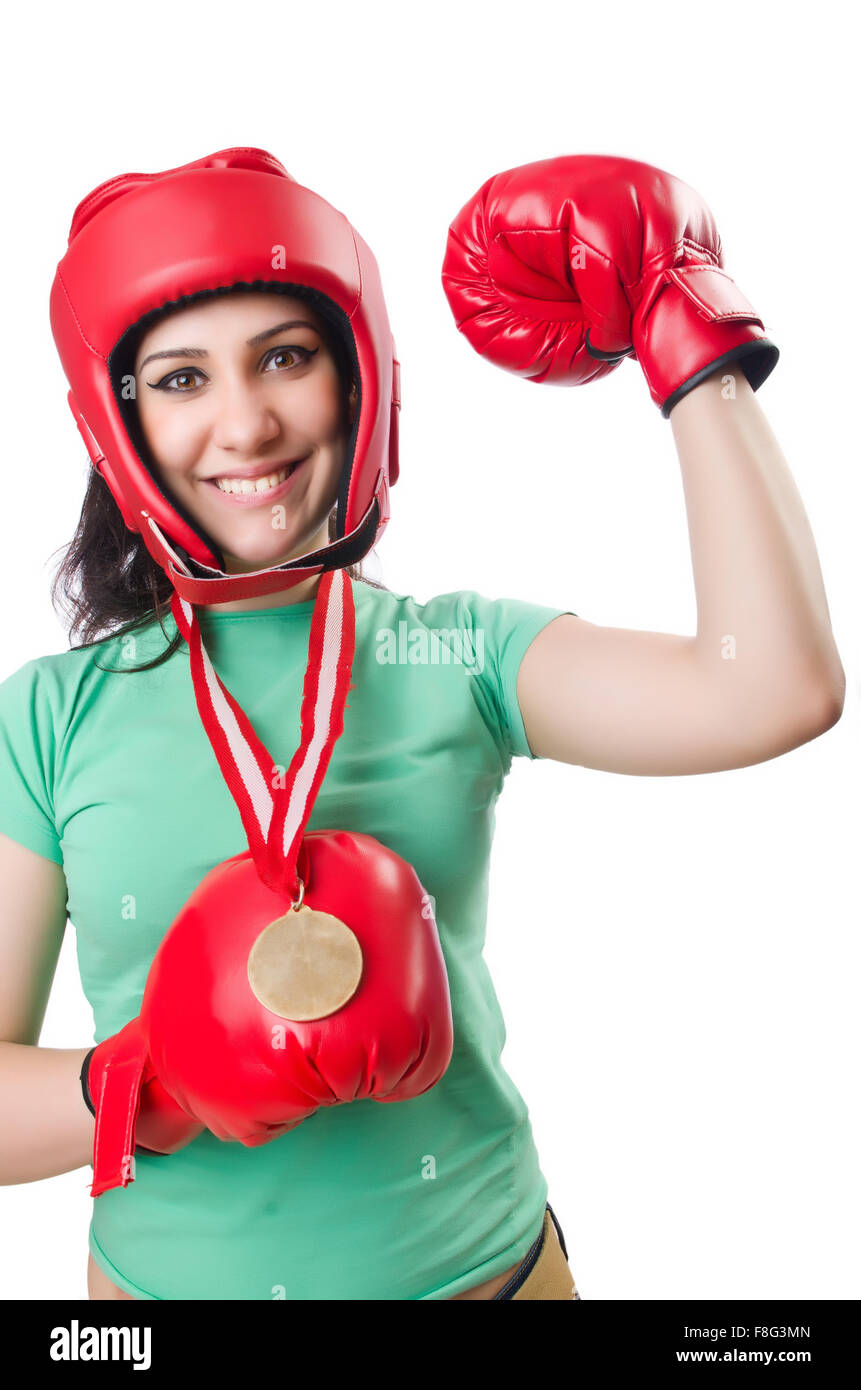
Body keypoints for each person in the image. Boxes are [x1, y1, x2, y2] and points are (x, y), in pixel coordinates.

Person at [0, 150, 844, 1301]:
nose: (245, 424)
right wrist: (148, 1082)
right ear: (121, 416)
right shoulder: (48, 715)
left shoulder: (458, 654)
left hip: (492, 1279)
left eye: (284, 357)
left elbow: (772, 689)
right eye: (183, 378)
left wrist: (692, 345)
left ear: (358, 376)